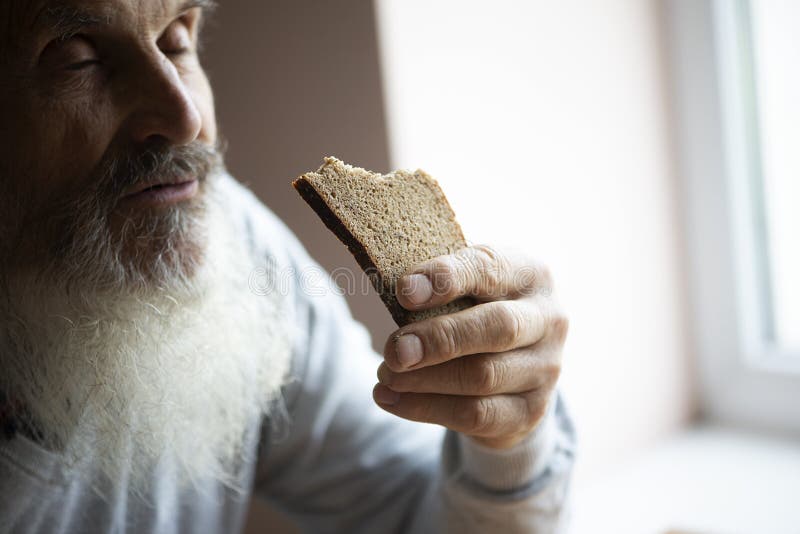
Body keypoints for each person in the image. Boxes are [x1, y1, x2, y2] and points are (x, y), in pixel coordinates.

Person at [0, 1, 576, 532]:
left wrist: (508, 440)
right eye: (77, 57)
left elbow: (413, 511)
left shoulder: (227, 246)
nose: (184, 115)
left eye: (178, 38)